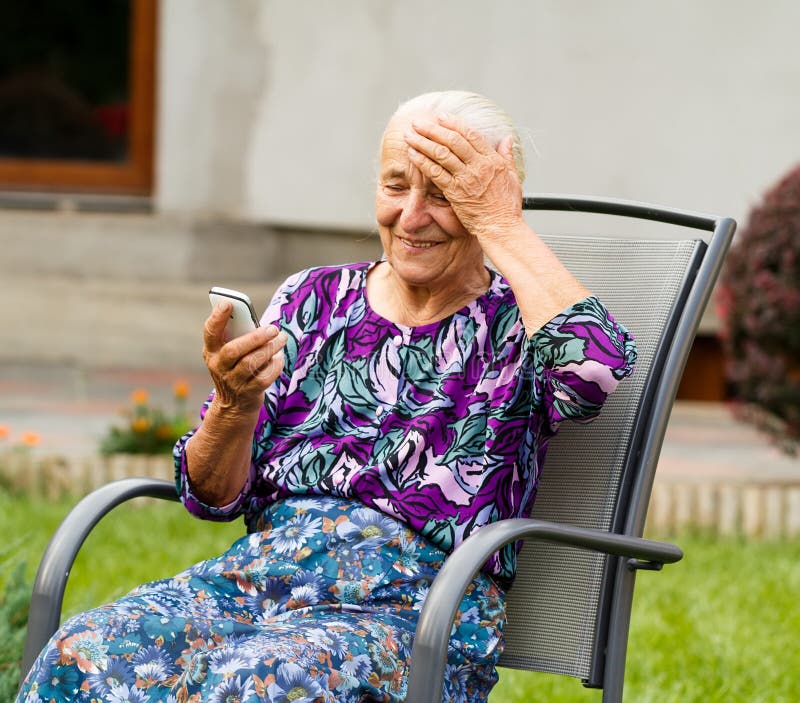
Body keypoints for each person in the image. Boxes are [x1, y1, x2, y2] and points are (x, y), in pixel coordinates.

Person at [18, 90, 635, 703]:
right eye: (397, 187)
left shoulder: (520, 324)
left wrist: (503, 223)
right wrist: (234, 408)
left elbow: (593, 373)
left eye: (444, 195)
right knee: (86, 648)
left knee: (257, 682)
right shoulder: (313, 298)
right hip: (250, 586)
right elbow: (209, 494)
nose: (412, 216)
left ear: (492, 203)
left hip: (409, 619)